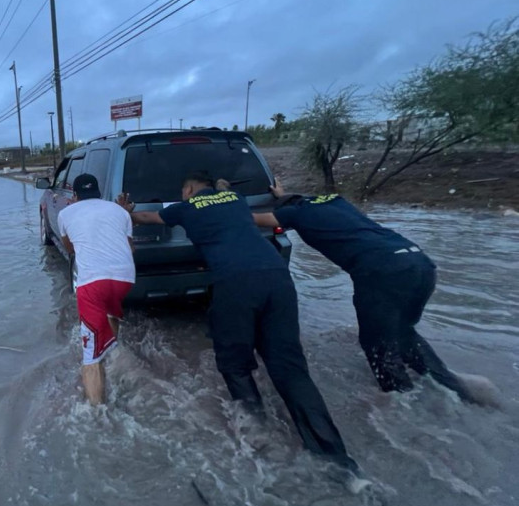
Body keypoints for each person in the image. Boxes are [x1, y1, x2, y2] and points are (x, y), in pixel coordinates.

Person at [118, 173, 366, 483]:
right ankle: (338, 461)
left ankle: (259, 439)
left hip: (236, 282)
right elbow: (225, 192)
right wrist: (265, 191)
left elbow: (146, 217)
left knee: (234, 363)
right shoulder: (235, 199)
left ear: (190, 189)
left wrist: (126, 211)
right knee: (290, 368)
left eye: (183, 190)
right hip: (277, 277)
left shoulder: (186, 208)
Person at [251, 179, 491, 404]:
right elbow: (300, 203)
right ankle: (454, 389)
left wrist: (232, 205)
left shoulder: (293, 213)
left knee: (376, 343)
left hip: (382, 271)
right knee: (404, 332)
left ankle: (399, 401)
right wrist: (281, 195)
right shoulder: (336, 201)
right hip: (420, 264)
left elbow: (251, 219)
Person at [57, 173, 135, 406]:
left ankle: (97, 414)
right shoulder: (120, 211)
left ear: (75, 195)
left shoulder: (65, 214)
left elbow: (70, 249)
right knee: (110, 312)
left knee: (90, 358)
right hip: (124, 279)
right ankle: (110, 350)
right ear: (98, 192)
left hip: (93, 283)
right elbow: (130, 248)